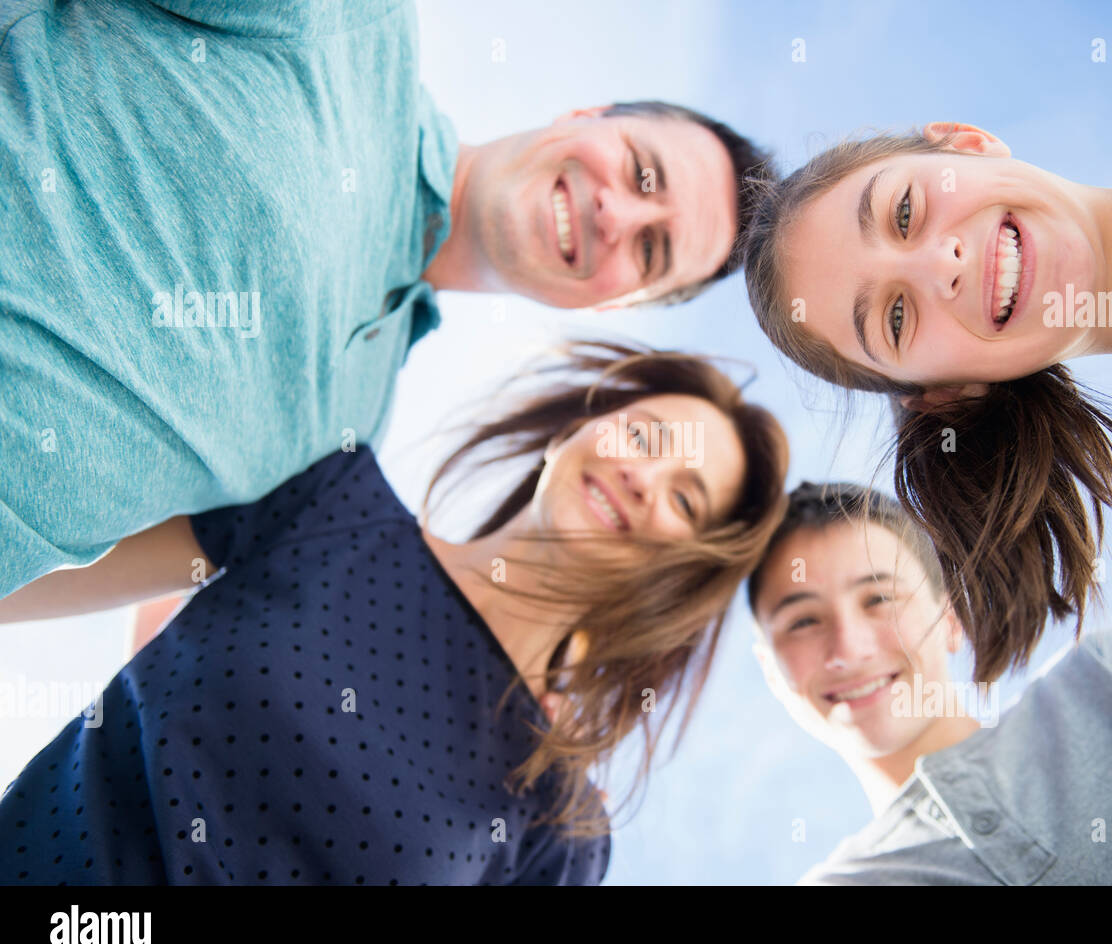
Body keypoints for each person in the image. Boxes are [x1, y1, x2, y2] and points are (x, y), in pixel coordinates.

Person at [0, 0, 774, 602]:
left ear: (614, 306)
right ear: (585, 116)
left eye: (652, 249)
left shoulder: (350, 442)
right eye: (643, 173)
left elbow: (85, 577)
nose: (619, 214)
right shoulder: (347, 21)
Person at [0, 340, 790, 884]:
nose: (647, 477)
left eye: (686, 497)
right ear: (573, 430)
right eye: (645, 434)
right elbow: (25, 568)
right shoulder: (325, 497)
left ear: (677, 573)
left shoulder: (560, 819)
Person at [742, 0, 1112, 682]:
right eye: (894, 318)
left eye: (905, 212)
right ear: (949, 392)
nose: (939, 266)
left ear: (964, 143)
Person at [748, 481, 1112, 885]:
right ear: (772, 672)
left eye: (880, 599)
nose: (850, 648)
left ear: (949, 621)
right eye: (802, 621)